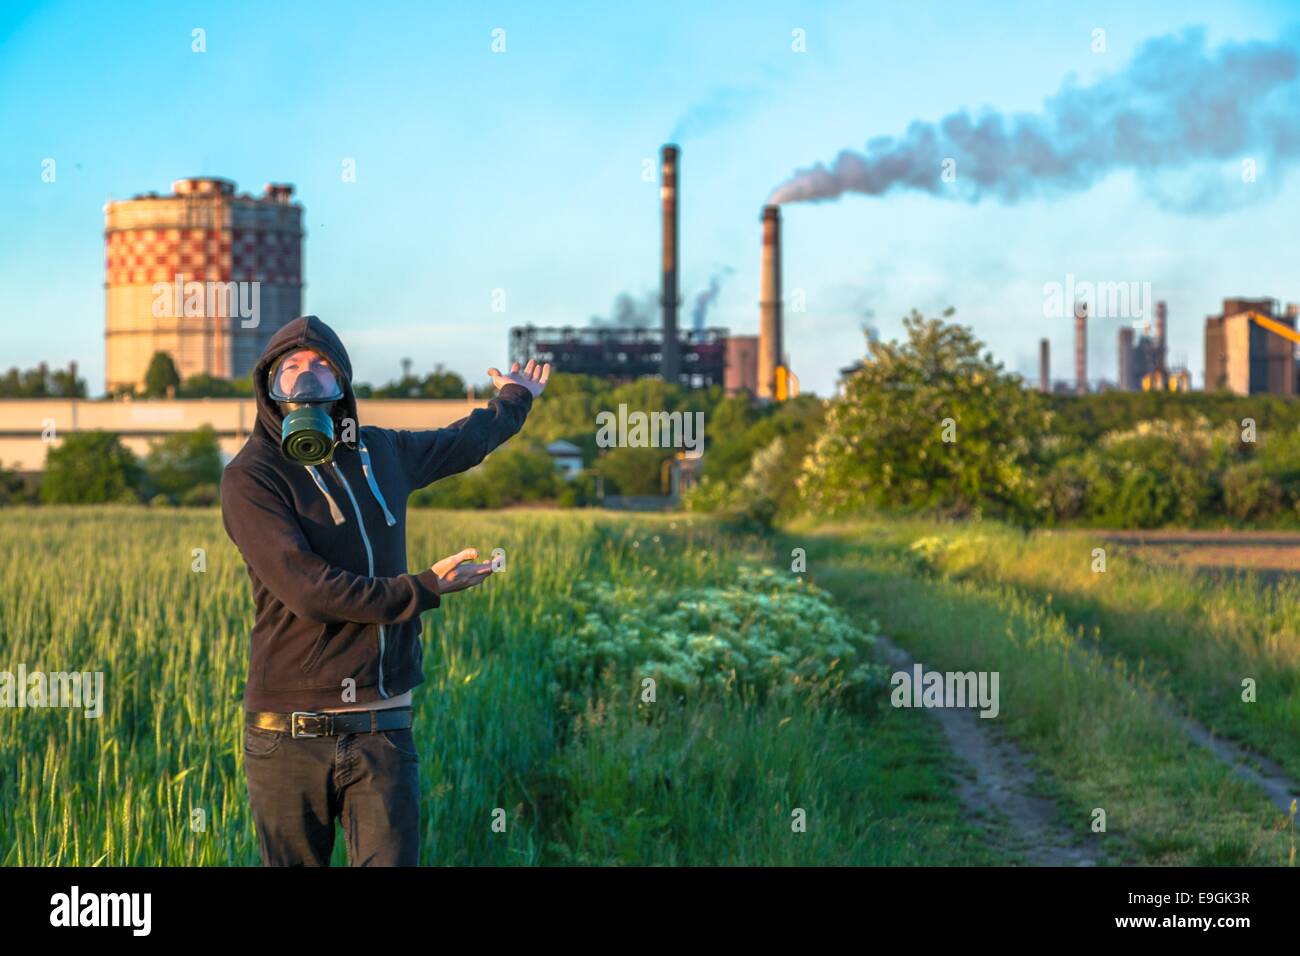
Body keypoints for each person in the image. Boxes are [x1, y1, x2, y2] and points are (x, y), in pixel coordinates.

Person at [220, 314, 549, 866]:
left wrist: (514, 398)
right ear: (269, 386)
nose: (305, 378)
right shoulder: (252, 477)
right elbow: (309, 591)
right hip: (288, 736)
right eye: (291, 367)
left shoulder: (381, 453)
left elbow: (462, 442)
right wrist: (423, 588)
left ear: (343, 384)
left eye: (321, 366)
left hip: (383, 728)